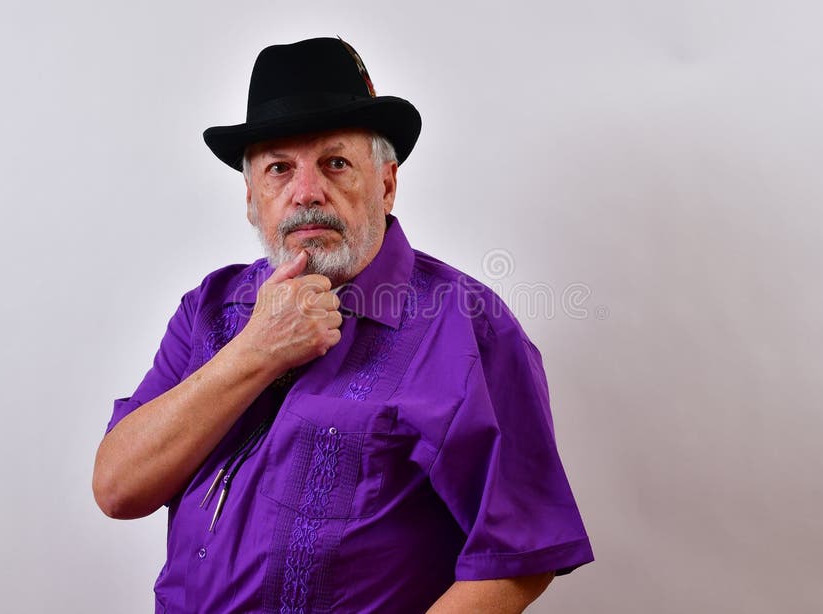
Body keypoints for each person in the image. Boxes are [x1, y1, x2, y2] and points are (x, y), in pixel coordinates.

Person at [93, 37, 593, 613]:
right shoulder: (209, 306)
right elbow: (118, 488)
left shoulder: (467, 327)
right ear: (252, 198)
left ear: (385, 184)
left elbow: (520, 555)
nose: (307, 193)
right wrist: (256, 351)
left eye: (335, 163)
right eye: (279, 168)